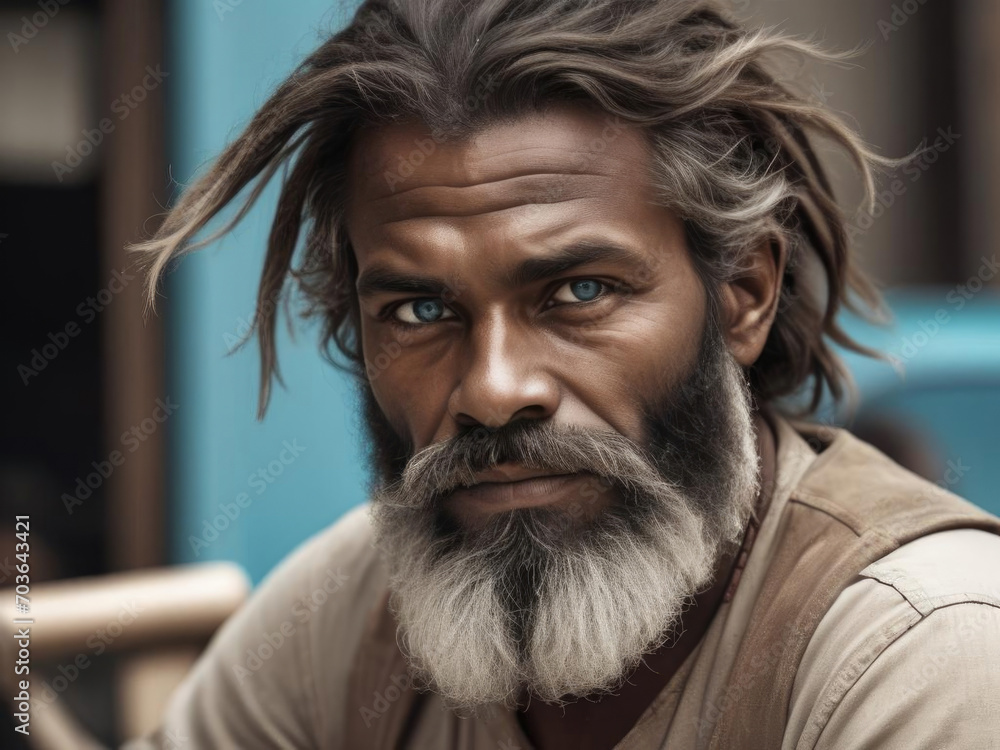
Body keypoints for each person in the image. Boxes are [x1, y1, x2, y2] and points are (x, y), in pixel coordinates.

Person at [130, 0, 1000, 747]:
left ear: (742, 294)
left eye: (580, 292)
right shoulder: (351, 623)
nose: (495, 390)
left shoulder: (923, 650)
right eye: (420, 312)